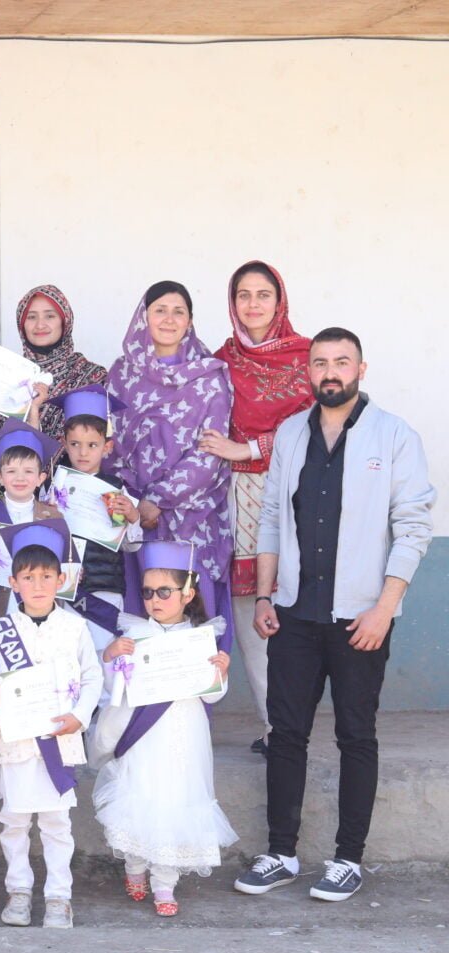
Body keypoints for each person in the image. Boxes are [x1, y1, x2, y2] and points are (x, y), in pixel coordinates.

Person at [235, 328, 435, 903]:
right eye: (320, 362)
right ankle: (281, 852)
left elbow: (413, 528)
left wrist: (384, 610)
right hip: (295, 611)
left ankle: (349, 858)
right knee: (286, 734)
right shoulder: (291, 432)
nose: (330, 372)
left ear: (361, 369)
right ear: (308, 371)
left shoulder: (394, 436)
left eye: (341, 362)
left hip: (360, 619)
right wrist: (267, 596)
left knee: (356, 735)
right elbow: (272, 516)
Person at [198, 262, 314, 754]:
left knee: (301, 612)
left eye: (263, 294)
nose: (253, 305)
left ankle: (295, 724)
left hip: (302, 496)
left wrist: (247, 449)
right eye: (243, 295)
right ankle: (276, 728)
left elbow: (316, 425)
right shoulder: (220, 360)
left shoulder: (308, 356)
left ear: (279, 299)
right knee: (252, 611)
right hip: (239, 501)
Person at [94, 540, 237, 917]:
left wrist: (219, 672)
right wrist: (111, 658)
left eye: (164, 592)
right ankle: (135, 867)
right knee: (141, 798)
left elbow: (211, 697)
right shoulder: (134, 634)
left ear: (188, 593)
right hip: (142, 736)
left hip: (183, 736)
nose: (154, 600)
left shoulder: (200, 638)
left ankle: (164, 882)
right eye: (146, 592)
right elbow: (112, 688)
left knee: (174, 802)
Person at [0, 520, 103, 930]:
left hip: (59, 737)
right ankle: (18, 891)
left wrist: (79, 716)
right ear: (13, 582)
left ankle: (58, 896)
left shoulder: (74, 627)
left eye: (46, 577)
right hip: (14, 740)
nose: (37, 585)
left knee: (55, 822)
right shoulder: (0, 631)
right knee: (14, 819)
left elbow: (92, 677)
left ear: (60, 579)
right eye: (28, 578)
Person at [106, 281, 235, 642]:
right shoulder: (121, 375)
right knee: (144, 617)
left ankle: (195, 701)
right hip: (138, 521)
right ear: (142, 317)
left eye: (179, 311)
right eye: (159, 309)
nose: (169, 318)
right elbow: (111, 443)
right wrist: (136, 503)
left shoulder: (209, 378)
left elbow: (210, 452)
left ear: (190, 321)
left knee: (194, 619)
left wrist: (158, 499)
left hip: (194, 520)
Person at [47, 386, 143, 656]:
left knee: (105, 655)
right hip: (65, 588)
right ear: (64, 443)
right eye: (75, 444)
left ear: (107, 447)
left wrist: (133, 518)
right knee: (70, 657)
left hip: (105, 587)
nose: (83, 452)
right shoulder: (57, 485)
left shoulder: (114, 490)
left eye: (92, 445)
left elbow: (129, 547)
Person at [0, 422, 66, 635]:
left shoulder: (52, 515)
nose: (20, 478)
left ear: (40, 479)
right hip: (0, 604)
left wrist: (73, 572)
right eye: (11, 471)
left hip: (41, 602)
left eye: (28, 471)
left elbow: (64, 559)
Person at [0, 285, 109, 437]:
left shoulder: (91, 378)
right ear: (22, 326)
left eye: (50, 316)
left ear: (65, 321)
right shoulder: (6, 375)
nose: (40, 325)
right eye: (32, 317)